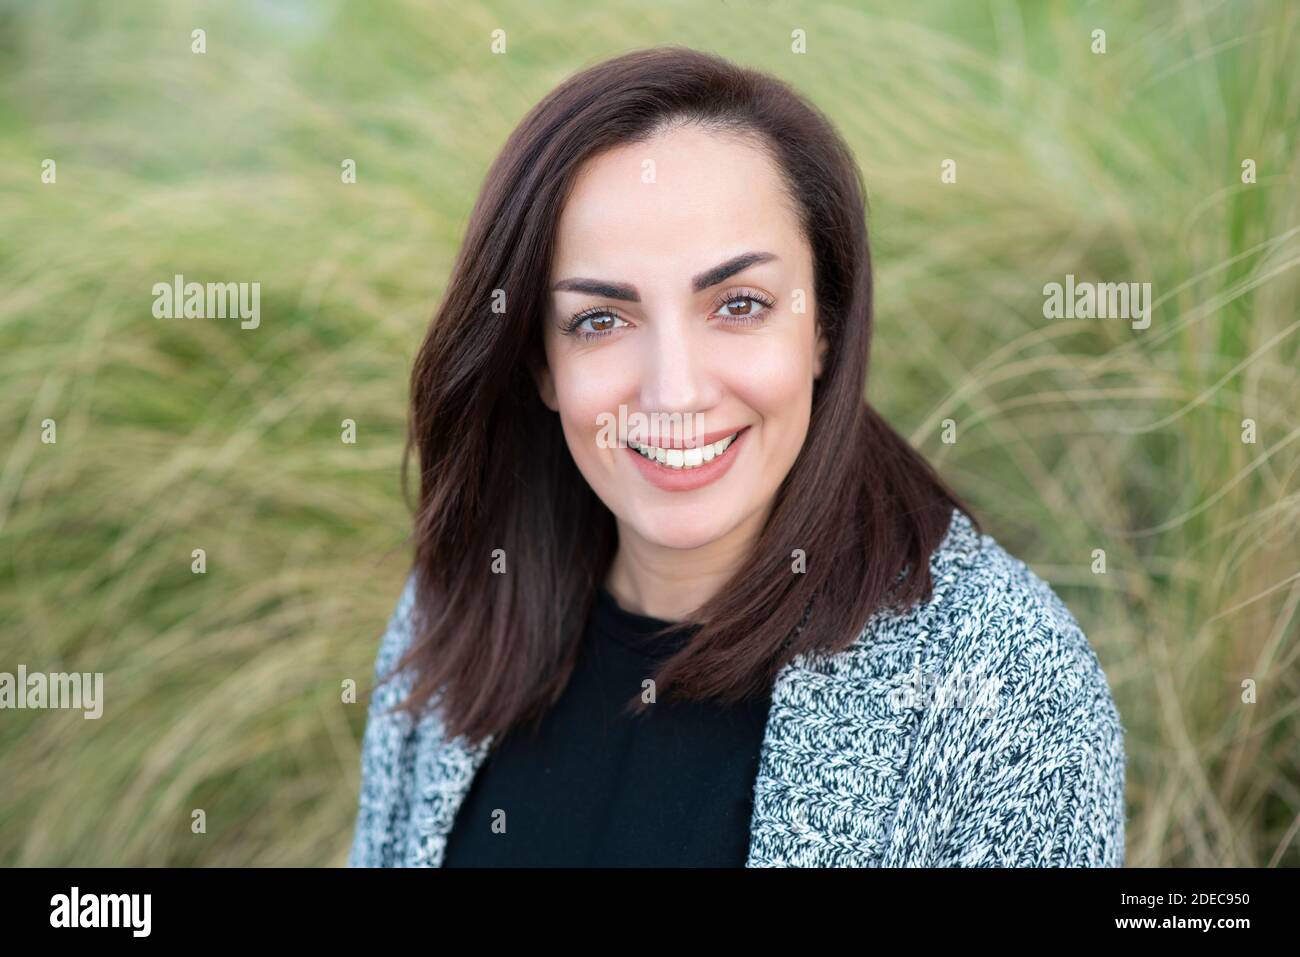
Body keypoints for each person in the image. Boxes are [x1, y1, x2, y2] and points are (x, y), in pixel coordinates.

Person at [346, 46, 1126, 868]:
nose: (674, 392)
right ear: (540, 361)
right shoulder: (459, 608)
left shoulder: (999, 680)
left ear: (824, 325)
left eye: (740, 305)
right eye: (601, 321)